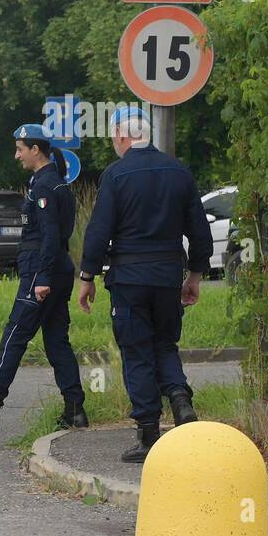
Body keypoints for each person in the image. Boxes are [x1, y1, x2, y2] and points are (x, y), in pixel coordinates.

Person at [78, 107, 213, 463]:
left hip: (130, 280)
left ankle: (149, 434)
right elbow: (199, 231)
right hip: (168, 277)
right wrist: (195, 275)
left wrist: (86, 276)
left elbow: (98, 232)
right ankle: (181, 401)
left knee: (137, 350)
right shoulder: (179, 172)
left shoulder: (116, 175)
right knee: (165, 344)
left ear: (122, 136)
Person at [0, 124, 87, 431]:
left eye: (20, 149)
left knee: (14, 337)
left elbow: (50, 235)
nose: (17, 155)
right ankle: (75, 410)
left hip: (41, 272)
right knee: (57, 343)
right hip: (56, 269)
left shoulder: (44, 186)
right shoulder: (53, 182)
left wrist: (41, 277)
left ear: (35, 150)